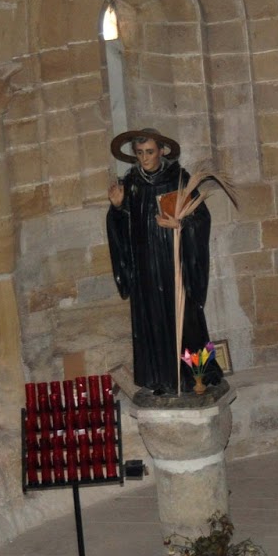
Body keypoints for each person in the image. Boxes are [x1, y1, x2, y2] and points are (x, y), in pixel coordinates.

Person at [106, 128, 212, 395]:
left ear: (162, 151)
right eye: (140, 153)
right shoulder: (131, 183)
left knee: (184, 318)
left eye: (150, 152)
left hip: (174, 263)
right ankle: (160, 379)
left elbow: (202, 218)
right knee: (152, 321)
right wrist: (117, 207)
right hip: (145, 269)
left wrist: (181, 224)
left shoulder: (179, 179)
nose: (144, 158)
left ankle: (194, 377)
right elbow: (121, 228)